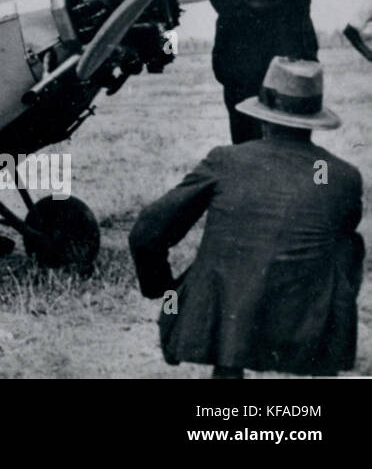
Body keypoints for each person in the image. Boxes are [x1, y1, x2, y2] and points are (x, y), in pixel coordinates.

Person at [129, 57, 363, 378]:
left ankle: (228, 362)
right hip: (304, 316)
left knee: (234, 265)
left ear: (263, 117)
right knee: (347, 245)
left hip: (224, 316)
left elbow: (147, 230)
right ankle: (320, 362)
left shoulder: (226, 160)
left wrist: (161, 288)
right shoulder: (341, 176)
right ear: (312, 117)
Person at [201, 0, 318, 143]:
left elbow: (233, 6)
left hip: (276, 88)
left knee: (276, 156)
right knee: (248, 154)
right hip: (249, 81)